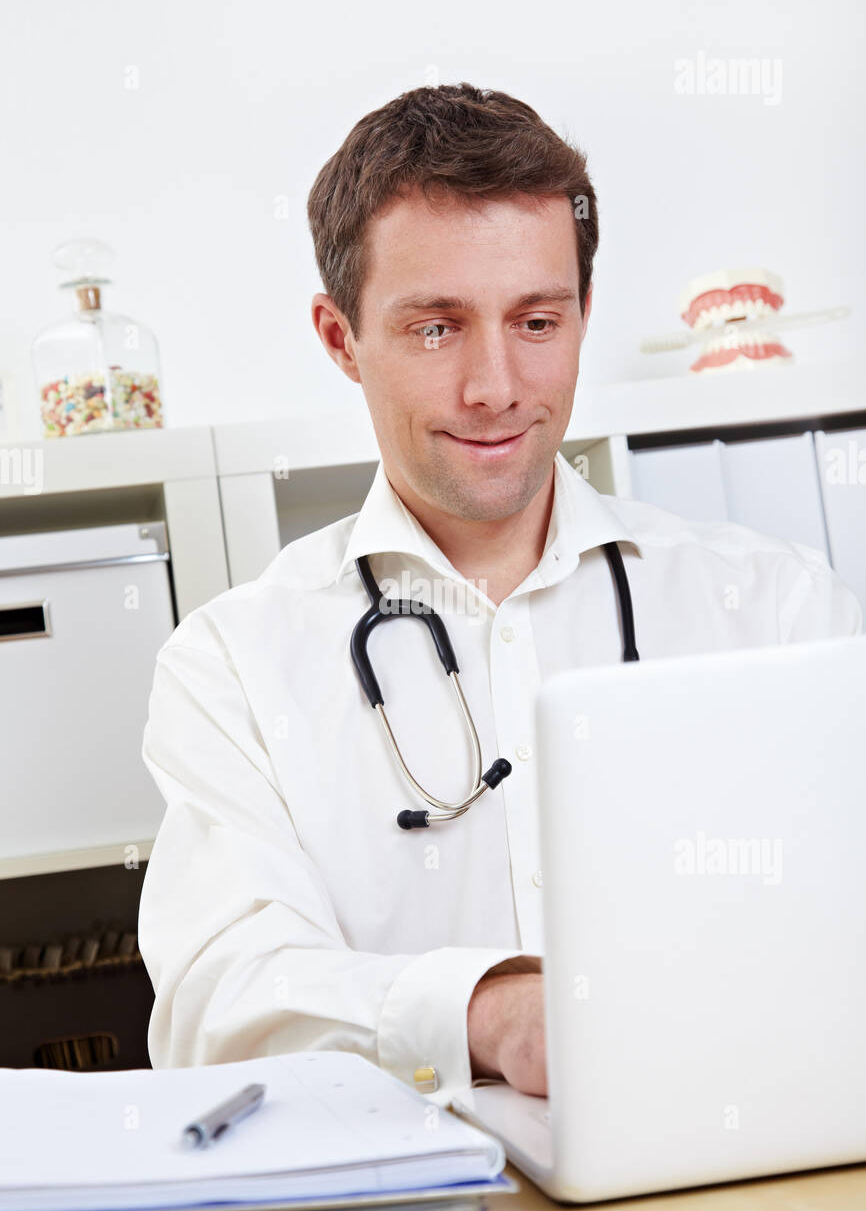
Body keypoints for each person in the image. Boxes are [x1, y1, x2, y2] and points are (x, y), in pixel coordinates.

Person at [138, 82, 861, 1103]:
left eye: (534, 319)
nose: (494, 386)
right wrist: (489, 1014)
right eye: (435, 328)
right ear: (340, 339)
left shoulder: (777, 609)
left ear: (581, 312)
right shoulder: (232, 668)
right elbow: (223, 1006)